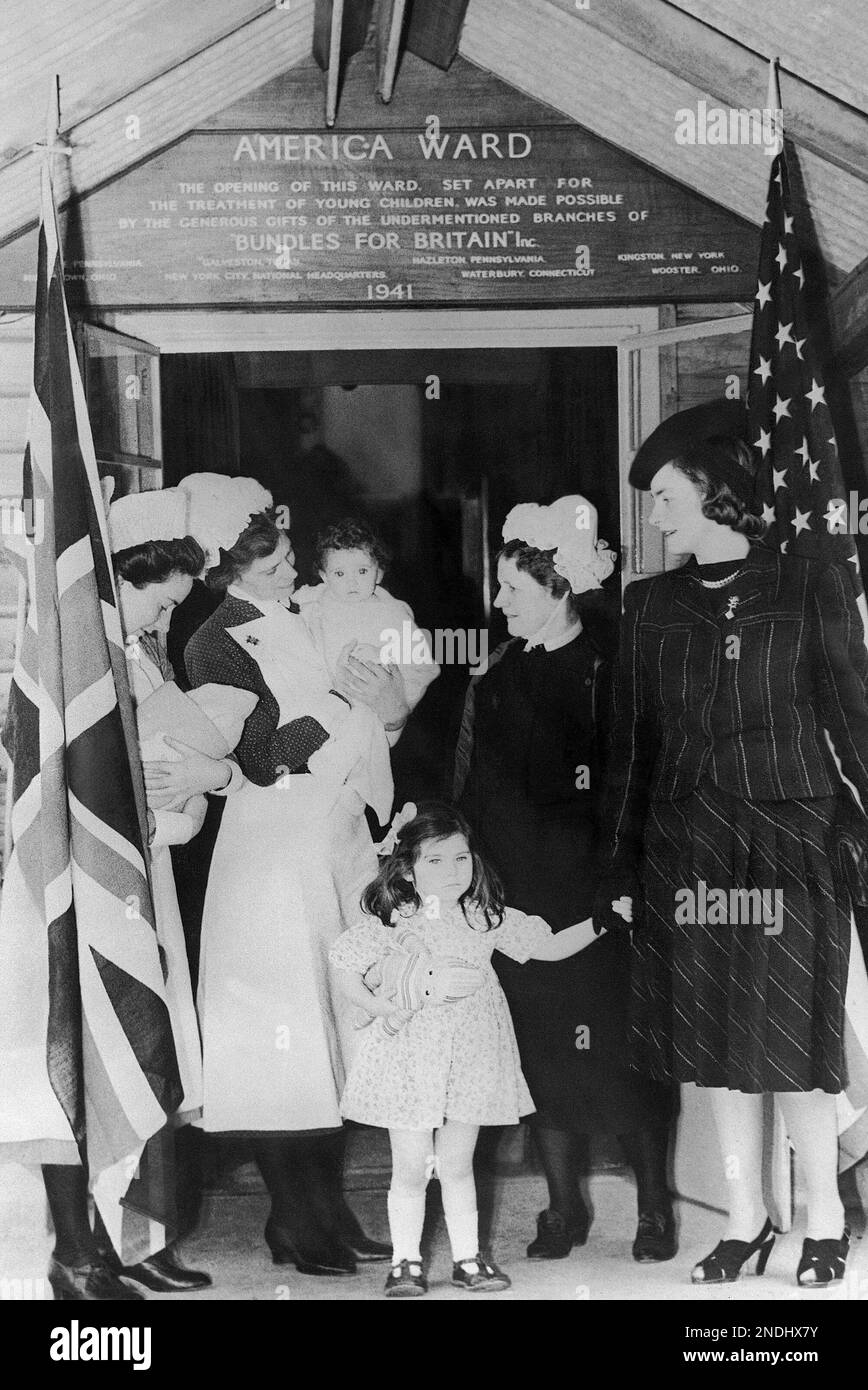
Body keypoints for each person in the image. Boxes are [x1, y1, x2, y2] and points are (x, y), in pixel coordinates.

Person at [597, 400, 868, 1287]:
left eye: (666, 494)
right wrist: (622, 865)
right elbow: (629, 744)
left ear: (715, 490)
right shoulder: (647, 606)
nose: (656, 514)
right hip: (691, 848)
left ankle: (822, 1218)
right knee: (711, 1046)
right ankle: (747, 1219)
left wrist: (859, 823)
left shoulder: (808, 586)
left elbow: (852, 719)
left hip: (791, 839)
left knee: (793, 1040)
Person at [18, 480, 245, 1301]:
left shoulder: (141, 652)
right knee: (85, 1058)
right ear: (115, 582)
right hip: (84, 894)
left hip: (141, 891)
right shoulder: (74, 657)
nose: (163, 627)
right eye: (157, 609)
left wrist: (205, 779)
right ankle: (77, 1257)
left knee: (151, 1053)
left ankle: (139, 1238)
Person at [184, 492, 409, 1278]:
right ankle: (293, 1216)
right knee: (287, 1043)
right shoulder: (214, 643)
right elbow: (257, 756)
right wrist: (347, 701)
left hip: (334, 840)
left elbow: (390, 701)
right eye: (273, 562)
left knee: (339, 1027)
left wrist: (381, 702)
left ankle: (328, 1209)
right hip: (272, 854)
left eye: (287, 558)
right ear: (228, 569)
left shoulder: (306, 612)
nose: (290, 570)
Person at [454, 496, 676, 1263]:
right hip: (521, 898)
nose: (498, 600)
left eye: (512, 588)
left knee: (623, 1052)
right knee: (540, 1056)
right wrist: (481, 889)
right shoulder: (495, 679)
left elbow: (638, 783)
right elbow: (474, 796)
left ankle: (654, 1212)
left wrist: (623, 883)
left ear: (558, 588)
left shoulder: (614, 669)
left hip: (603, 891)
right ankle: (561, 1210)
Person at [328, 801, 602, 1297]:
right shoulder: (396, 921)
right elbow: (344, 964)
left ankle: (468, 1259)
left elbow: (550, 946)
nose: (453, 871)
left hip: (472, 1058)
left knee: (456, 1164)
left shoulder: (484, 917)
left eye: (461, 858)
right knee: (411, 1166)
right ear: (407, 869)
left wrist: (601, 922)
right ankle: (406, 1261)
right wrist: (380, 1006)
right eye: (435, 861)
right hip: (408, 1058)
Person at [295, 516, 439, 715]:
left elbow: (422, 669)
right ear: (324, 577)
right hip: (323, 705)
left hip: (372, 709)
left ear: (378, 574)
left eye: (362, 571)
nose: (352, 582)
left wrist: (396, 702)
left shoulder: (391, 614)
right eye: (339, 573)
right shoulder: (311, 603)